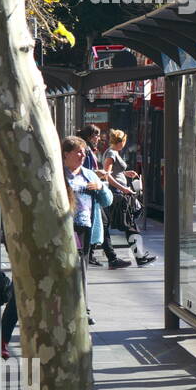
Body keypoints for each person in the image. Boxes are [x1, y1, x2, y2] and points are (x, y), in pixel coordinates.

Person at [63, 136, 111, 331]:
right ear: (66, 154)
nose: (83, 155)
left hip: (83, 228)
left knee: (81, 269)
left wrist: (100, 187)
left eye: (84, 152)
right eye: (78, 152)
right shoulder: (58, 174)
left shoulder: (89, 174)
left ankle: (84, 310)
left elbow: (107, 201)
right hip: (62, 228)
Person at [100, 128, 156, 267]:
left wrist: (125, 173)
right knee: (129, 224)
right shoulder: (111, 153)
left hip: (118, 193)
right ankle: (138, 257)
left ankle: (137, 257)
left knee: (127, 225)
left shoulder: (112, 152)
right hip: (117, 195)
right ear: (121, 141)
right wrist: (123, 188)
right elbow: (107, 174)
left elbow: (115, 172)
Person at [78, 124, 130, 269]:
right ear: (89, 137)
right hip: (91, 195)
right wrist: (98, 174)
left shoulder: (90, 150)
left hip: (93, 194)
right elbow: (87, 172)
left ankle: (95, 255)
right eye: (96, 135)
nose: (98, 138)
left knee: (103, 223)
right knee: (102, 223)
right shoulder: (88, 151)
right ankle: (103, 256)